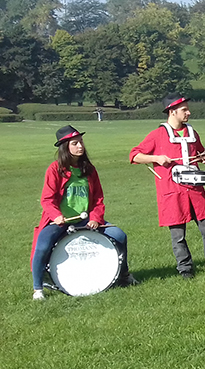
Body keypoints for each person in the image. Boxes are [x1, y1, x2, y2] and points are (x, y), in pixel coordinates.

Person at [129, 94, 205, 279]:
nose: (188, 112)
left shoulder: (193, 133)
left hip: (195, 191)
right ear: (172, 111)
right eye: (184, 109)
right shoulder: (157, 135)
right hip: (172, 192)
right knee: (178, 235)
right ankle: (185, 269)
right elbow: (134, 155)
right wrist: (156, 158)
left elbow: (201, 153)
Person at [31, 126, 134, 299]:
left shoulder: (89, 169)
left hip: (85, 220)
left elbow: (98, 199)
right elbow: (47, 199)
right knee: (42, 245)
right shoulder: (55, 169)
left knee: (119, 235)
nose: (80, 146)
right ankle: (38, 288)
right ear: (65, 147)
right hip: (60, 221)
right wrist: (56, 216)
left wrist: (95, 218)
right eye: (75, 143)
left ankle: (123, 275)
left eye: (81, 142)